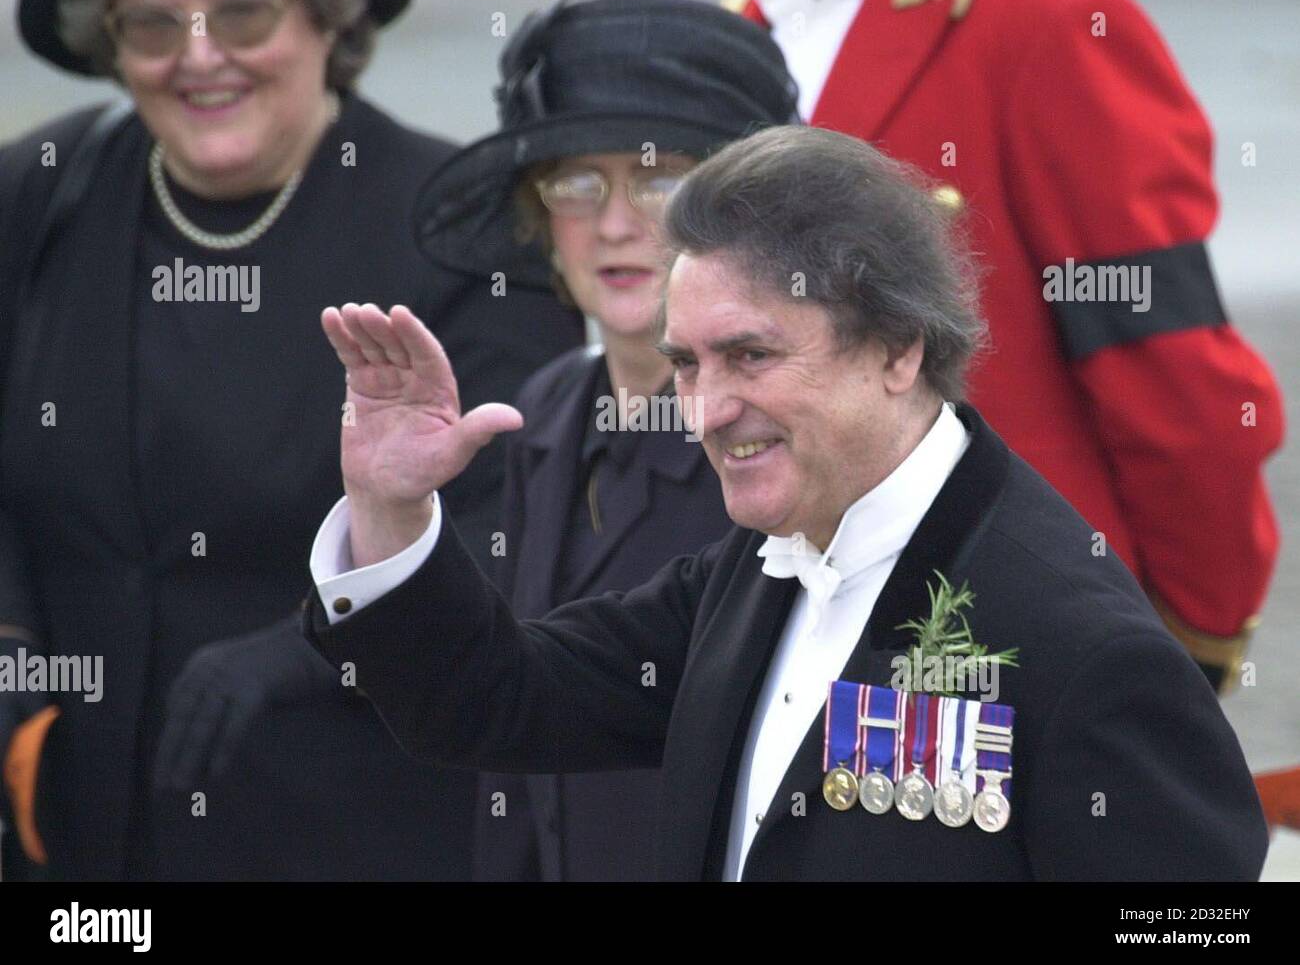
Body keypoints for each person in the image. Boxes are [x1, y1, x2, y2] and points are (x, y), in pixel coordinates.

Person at [306, 125, 1268, 881]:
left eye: (753, 356)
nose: (709, 410)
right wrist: (390, 505)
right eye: (686, 363)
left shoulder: (1087, 653)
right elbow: (495, 702)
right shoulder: (753, 569)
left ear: (900, 349)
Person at [0, 0, 582, 880]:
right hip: (73, 824)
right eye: (152, 26)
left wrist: (311, 646)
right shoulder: (43, 191)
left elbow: (522, 518)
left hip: (346, 817)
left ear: (326, 25)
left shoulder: (457, 226)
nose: (199, 58)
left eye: (243, 16)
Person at [720, 0, 1283, 697]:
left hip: (1021, 622)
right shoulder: (733, 29)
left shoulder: (1040, 13)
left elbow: (1163, 361)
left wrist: (1186, 633)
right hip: (781, 641)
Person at [412, 0, 797, 880]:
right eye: (577, 182)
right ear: (538, 219)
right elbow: (514, 737)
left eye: (661, 178)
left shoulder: (782, 431)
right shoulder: (545, 407)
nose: (616, 222)